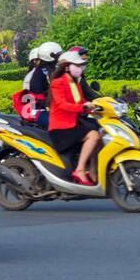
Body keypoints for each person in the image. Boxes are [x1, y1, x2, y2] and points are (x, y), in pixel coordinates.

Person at [47, 47, 101, 187]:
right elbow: (61, 104)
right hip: (61, 128)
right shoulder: (57, 83)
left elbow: (82, 102)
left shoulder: (75, 83)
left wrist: (95, 109)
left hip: (74, 123)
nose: (80, 68)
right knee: (94, 135)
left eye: (81, 65)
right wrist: (83, 107)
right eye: (77, 65)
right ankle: (80, 170)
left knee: (101, 135)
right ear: (66, 67)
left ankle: (94, 172)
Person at [26, 41, 63, 128]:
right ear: (50, 56)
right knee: (60, 125)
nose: (61, 57)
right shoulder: (38, 74)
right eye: (58, 55)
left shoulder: (54, 71)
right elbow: (39, 98)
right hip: (37, 110)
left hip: (52, 109)